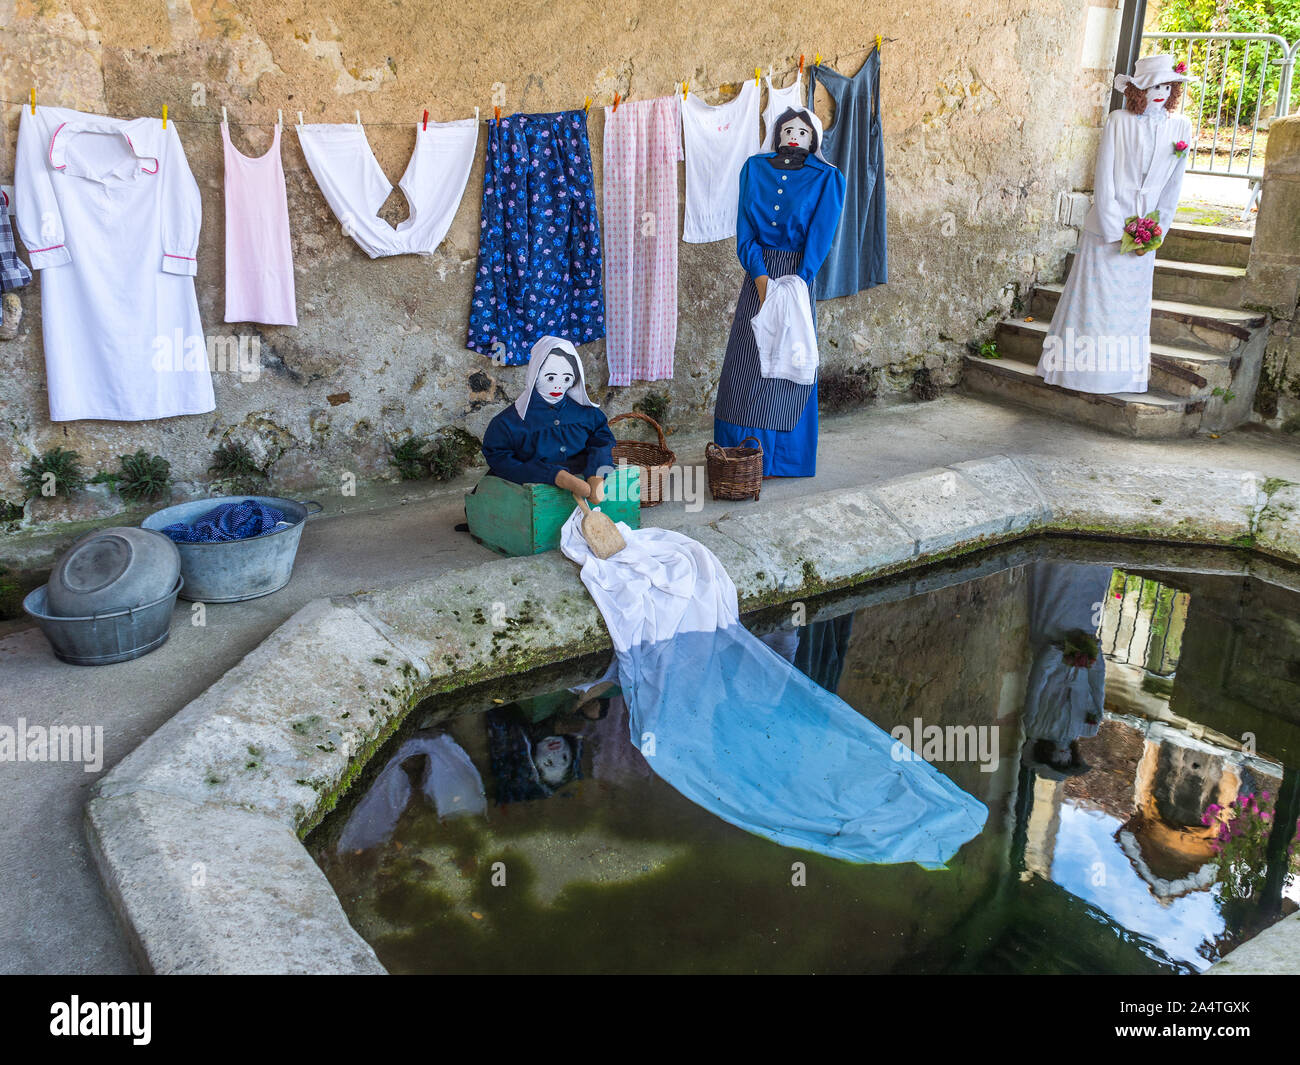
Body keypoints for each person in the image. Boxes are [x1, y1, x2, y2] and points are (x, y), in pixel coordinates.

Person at [1036, 54, 1192, 395]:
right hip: (1108, 226)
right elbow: (1104, 176)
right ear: (1139, 90)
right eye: (1154, 86)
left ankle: (1121, 375)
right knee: (1095, 301)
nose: (1161, 93)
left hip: (1146, 233)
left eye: (1168, 86)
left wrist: (1155, 231)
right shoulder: (1119, 121)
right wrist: (1114, 227)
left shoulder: (1181, 128)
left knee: (1129, 308)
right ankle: (1077, 372)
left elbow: (1174, 184)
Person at [713, 107, 845, 478]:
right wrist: (759, 278)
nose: (794, 137)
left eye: (803, 133)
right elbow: (746, 229)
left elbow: (821, 235)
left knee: (790, 364)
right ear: (776, 134)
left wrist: (797, 283)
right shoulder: (754, 170)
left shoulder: (827, 178)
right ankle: (736, 456)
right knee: (745, 363)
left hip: (796, 280)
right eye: (788, 130)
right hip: (758, 275)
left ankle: (781, 459)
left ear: (814, 140)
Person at [480, 335, 615, 502]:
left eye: (566, 378)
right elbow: (499, 457)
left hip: (581, 470)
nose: (558, 385)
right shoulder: (508, 422)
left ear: (574, 379)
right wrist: (551, 474)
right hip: (532, 478)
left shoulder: (588, 414)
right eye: (550, 377)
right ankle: (558, 477)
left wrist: (597, 474)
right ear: (535, 375)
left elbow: (603, 440)